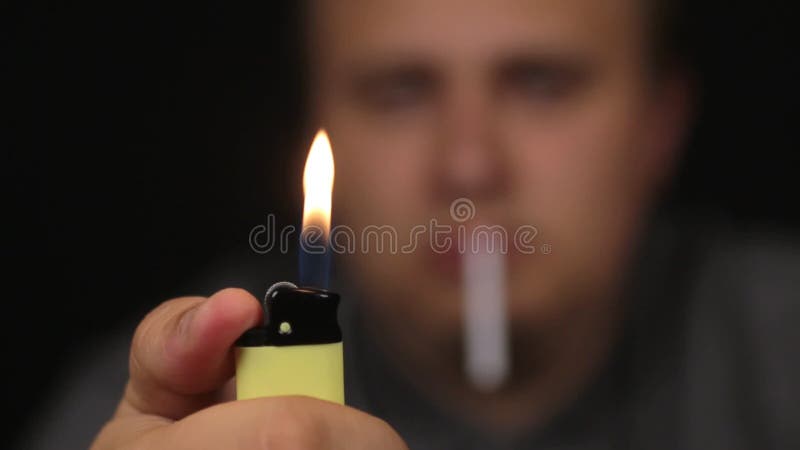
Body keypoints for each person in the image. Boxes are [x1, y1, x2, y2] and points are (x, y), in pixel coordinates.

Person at [27, 0, 800, 449]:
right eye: (400, 92)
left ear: (661, 122)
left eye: (540, 84)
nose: (468, 164)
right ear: (317, 118)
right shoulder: (164, 414)